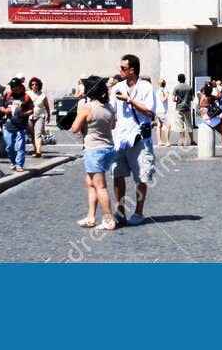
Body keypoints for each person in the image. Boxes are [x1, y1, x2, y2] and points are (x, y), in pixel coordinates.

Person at [110, 54, 159, 225]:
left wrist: (130, 100)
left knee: (141, 177)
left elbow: (150, 112)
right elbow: (112, 111)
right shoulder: (118, 87)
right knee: (117, 174)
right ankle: (120, 209)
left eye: (123, 68)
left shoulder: (146, 87)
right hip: (120, 138)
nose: (120, 71)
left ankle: (139, 212)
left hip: (139, 138)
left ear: (132, 70)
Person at [68, 76, 116, 230]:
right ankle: (90, 217)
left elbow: (74, 129)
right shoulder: (109, 107)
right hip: (108, 147)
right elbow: (113, 125)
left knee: (100, 186)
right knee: (90, 183)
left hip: (93, 149)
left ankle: (109, 219)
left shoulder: (87, 107)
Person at [1, 79, 33, 171]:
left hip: (21, 125)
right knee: (9, 146)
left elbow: (31, 110)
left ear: (19, 87)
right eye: (11, 87)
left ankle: (19, 164)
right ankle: (14, 161)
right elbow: (0, 106)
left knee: (20, 146)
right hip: (8, 124)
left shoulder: (26, 97)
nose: (12, 89)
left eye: (14, 87)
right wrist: (5, 110)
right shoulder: (7, 95)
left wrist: (22, 114)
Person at [200, 81, 222, 157]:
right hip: (211, 119)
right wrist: (216, 88)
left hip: (204, 117)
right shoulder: (210, 98)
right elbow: (220, 95)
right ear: (211, 91)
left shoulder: (202, 97)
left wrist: (205, 85)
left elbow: (201, 90)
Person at [28, 77, 52, 157]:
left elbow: (47, 106)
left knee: (38, 133)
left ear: (39, 86)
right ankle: (35, 149)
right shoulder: (28, 94)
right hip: (30, 116)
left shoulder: (42, 95)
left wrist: (48, 115)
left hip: (40, 116)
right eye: (32, 84)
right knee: (31, 134)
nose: (34, 86)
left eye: (36, 84)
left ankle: (38, 151)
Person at [171, 74, 194, 147]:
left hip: (179, 108)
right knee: (189, 125)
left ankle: (183, 140)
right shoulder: (189, 87)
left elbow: (173, 99)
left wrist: (179, 100)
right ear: (185, 79)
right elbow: (192, 98)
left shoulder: (176, 88)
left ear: (178, 79)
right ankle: (192, 140)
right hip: (187, 108)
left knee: (180, 125)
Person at [155, 78, 173, 145]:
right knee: (168, 125)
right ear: (165, 84)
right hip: (161, 111)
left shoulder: (158, 91)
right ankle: (167, 142)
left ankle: (159, 141)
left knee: (159, 125)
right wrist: (167, 94)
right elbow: (163, 100)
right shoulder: (163, 91)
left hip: (157, 110)